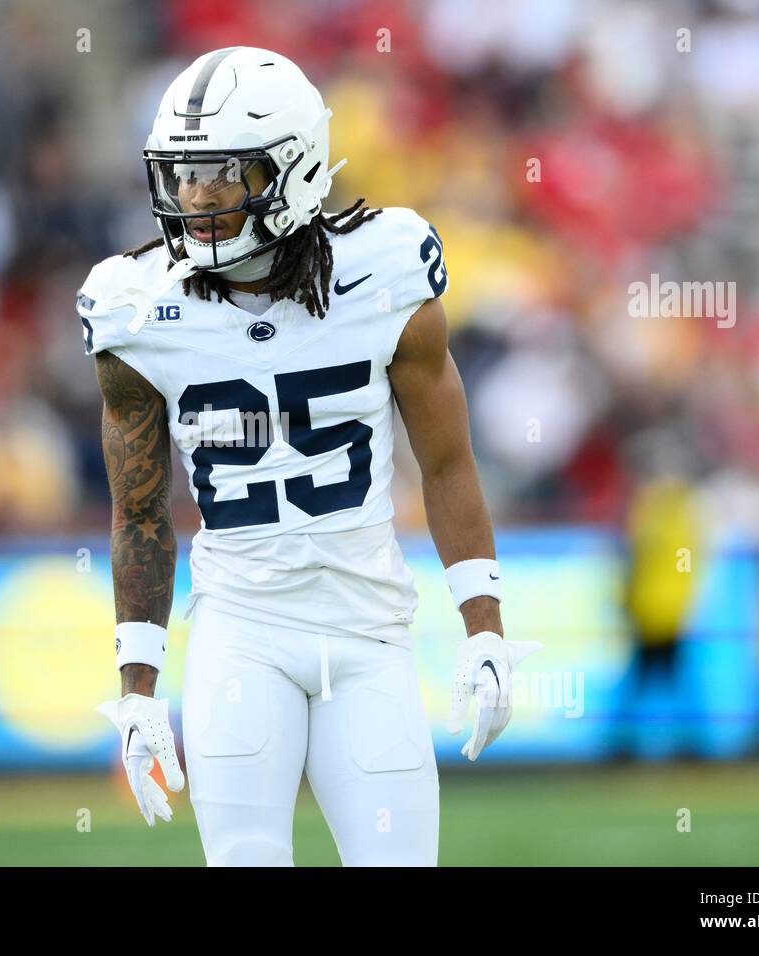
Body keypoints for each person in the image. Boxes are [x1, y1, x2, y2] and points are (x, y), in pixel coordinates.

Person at [85, 47, 540, 867]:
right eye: (183, 174)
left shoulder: (387, 270)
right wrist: (138, 686)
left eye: (223, 173)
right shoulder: (136, 309)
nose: (196, 197)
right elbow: (141, 510)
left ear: (290, 168)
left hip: (369, 633)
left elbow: (446, 463)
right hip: (240, 632)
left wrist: (484, 628)